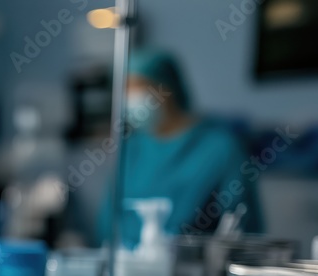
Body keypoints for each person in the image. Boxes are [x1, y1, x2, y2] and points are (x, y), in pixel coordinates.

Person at [99, 48, 263, 246]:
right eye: (124, 90)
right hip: (126, 267)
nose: (128, 99)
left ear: (167, 89)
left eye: (137, 87)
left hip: (194, 270)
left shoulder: (221, 148)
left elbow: (243, 228)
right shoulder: (129, 149)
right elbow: (106, 224)